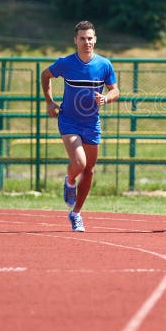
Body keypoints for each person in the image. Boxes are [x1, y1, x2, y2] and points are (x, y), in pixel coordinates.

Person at [41, 21, 119, 232]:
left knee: (90, 170)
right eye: (82, 38)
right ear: (75, 40)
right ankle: (70, 179)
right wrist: (49, 101)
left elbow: (115, 91)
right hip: (69, 120)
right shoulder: (65, 63)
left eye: (90, 38)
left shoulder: (104, 65)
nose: (87, 42)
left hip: (91, 123)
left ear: (95, 40)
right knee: (79, 163)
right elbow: (45, 75)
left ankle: (76, 214)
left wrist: (105, 98)